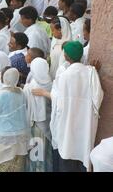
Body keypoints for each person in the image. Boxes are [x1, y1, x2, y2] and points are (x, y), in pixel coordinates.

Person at [32, 41, 103, 172]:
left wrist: (43, 93)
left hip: (67, 125)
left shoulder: (64, 76)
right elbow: (97, 99)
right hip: (85, 124)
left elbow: (58, 101)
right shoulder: (91, 73)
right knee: (82, 153)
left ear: (66, 56)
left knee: (67, 152)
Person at [23, 57, 53, 172]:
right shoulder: (52, 84)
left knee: (35, 157)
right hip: (49, 126)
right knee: (45, 155)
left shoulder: (30, 86)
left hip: (34, 127)